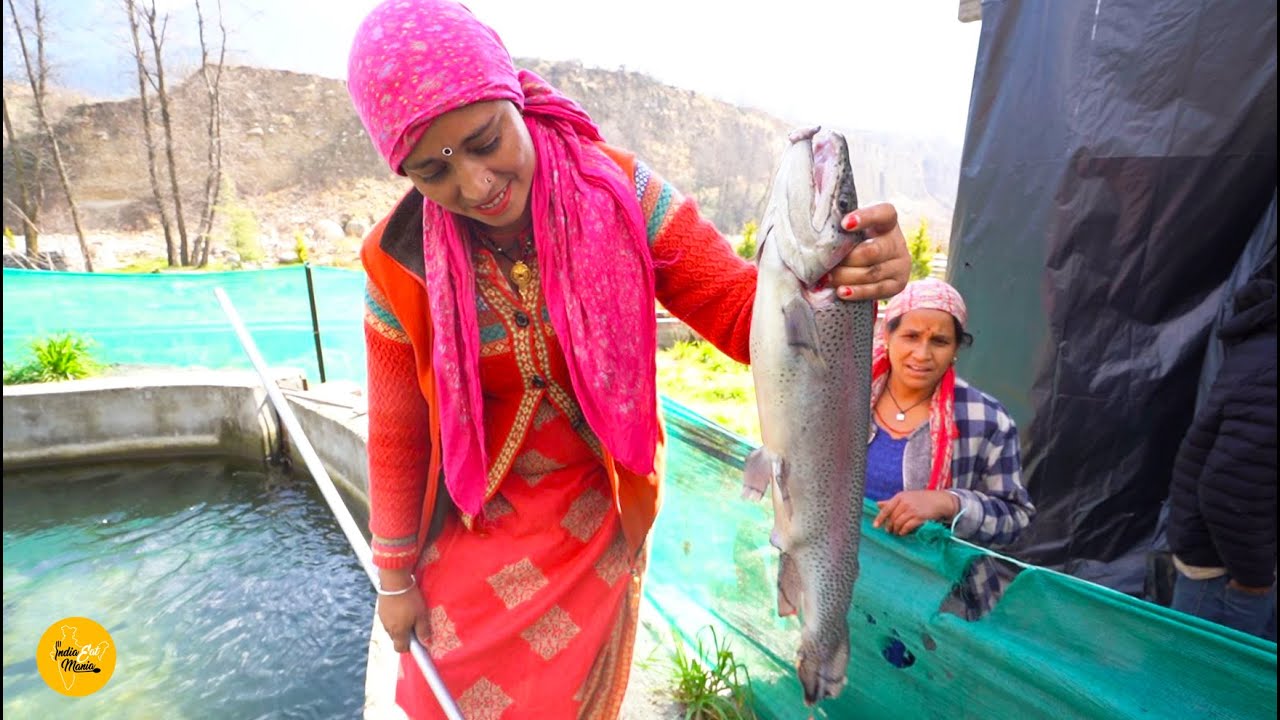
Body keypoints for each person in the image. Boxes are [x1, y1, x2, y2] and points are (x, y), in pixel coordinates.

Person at [345, 1, 913, 717]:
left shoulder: (621, 194)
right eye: (434, 171)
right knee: (442, 696)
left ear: (511, 95)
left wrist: (844, 283)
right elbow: (397, 432)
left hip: (597, 513)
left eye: (487, 140)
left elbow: (745, 317)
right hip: (471, 515)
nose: (477, 183)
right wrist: (395, 579)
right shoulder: (397, 263)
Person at [865, 278, 1035, 618]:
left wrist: (949, 502)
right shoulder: (848, 400)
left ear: (956, 347)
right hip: (847, 579)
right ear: (888, 335)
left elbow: (1016, 519)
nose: (922, 354)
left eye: (939, 341)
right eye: (911, 336)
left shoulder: (986, 420)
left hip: (937, 602)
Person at [1167, 254, 1276, 642]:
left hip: (1235, 562)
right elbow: (1233, 485)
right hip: (1228, 574)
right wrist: (1255, 579)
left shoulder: (1261, 346)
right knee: (1200, 691)